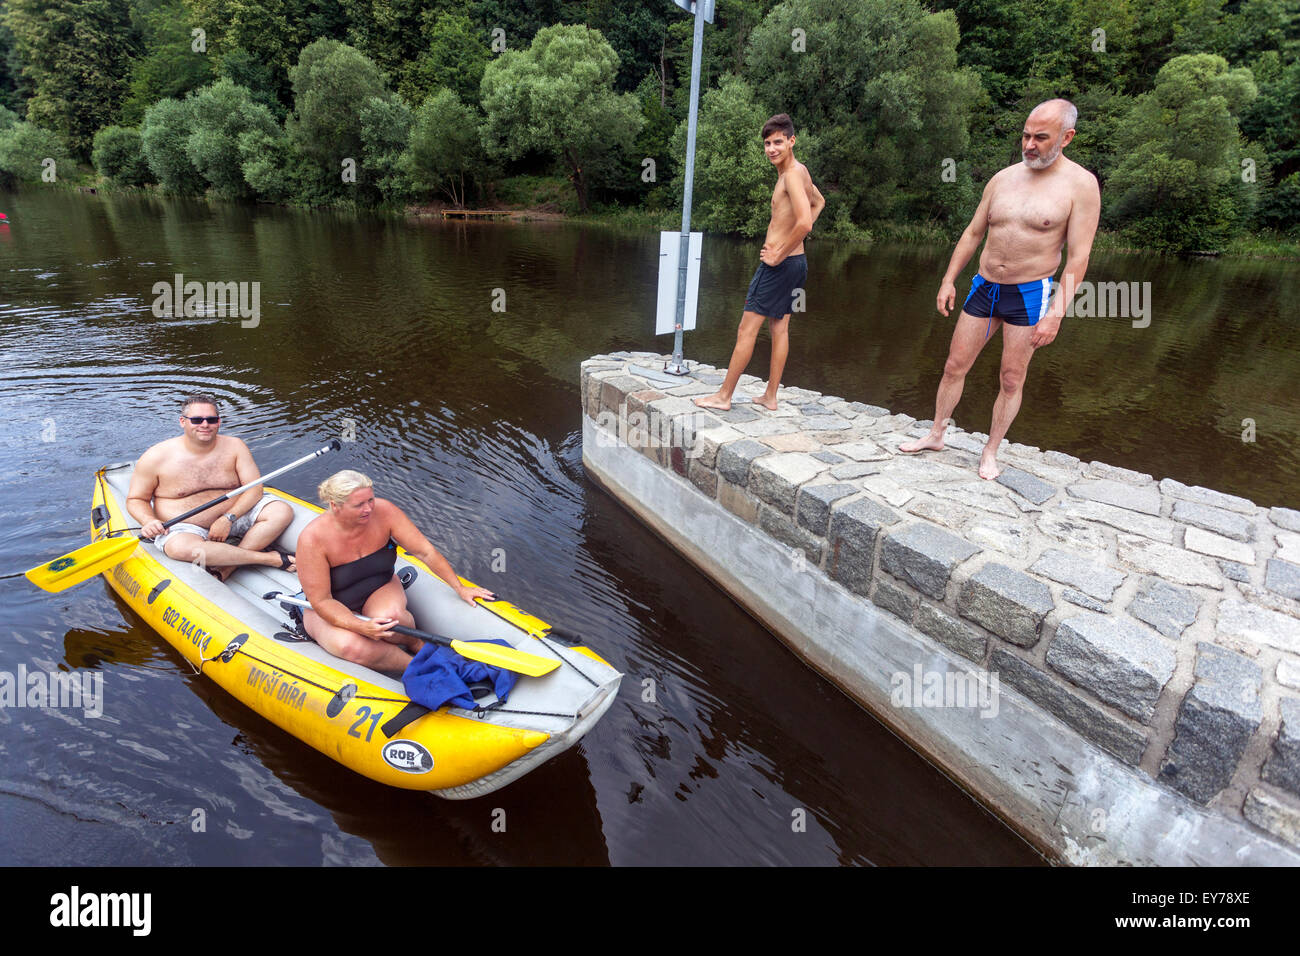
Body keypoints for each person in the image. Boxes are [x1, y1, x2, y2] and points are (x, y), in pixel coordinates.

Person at [900, 99, 1100, 479]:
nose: (1029, 144)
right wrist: (947, 280)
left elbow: (1078, 258)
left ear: (1067, 137)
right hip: (985, 286)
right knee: (954, 365)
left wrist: (1056, 315)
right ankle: (936, 432)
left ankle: (991, 451)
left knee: (1011, 378)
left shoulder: (1081, 186)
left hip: (1029, 293)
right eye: (1026, 135)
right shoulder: (1003, 178)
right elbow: (974, 232)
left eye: (1041, 137)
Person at [295, 470, 495, 673]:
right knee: (350, 645)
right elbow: (322, 601)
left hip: (379, 587)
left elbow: (424, 552)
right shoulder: (313, 539)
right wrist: (359, 626)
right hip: (331, 606)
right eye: (359, 505)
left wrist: (459, 587)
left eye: (371, 500)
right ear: (335, 505)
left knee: (392, 618)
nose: (368, 509)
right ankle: (421, 669)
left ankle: (417, 645)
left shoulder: (384, 512)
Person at [695, 113, 825, 412]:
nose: (771, 149)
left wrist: (779, 252)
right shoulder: (800, 172)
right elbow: (819, 203)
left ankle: (724, 396)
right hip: (798, 264)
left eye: (778, 142)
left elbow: (805, 222)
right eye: (767, 143)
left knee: (746, 329)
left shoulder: (791, 176)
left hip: (780, 266)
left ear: (792, 141)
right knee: (780, 329)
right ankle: (770, 396)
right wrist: (791, 246)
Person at [127, 394, 296, 578]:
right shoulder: (155, 457)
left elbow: (254, 488)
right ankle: (267, 559)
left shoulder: (235, 446)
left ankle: (228, 567)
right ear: (183, 422)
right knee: (179, 548)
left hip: (235, 516)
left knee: (281, 511)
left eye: (211, 419)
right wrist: (148, 521)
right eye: (197, 420)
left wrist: (227, 518)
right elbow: (137, 499)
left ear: (219, 422)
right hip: (185, 527)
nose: (205, 425)